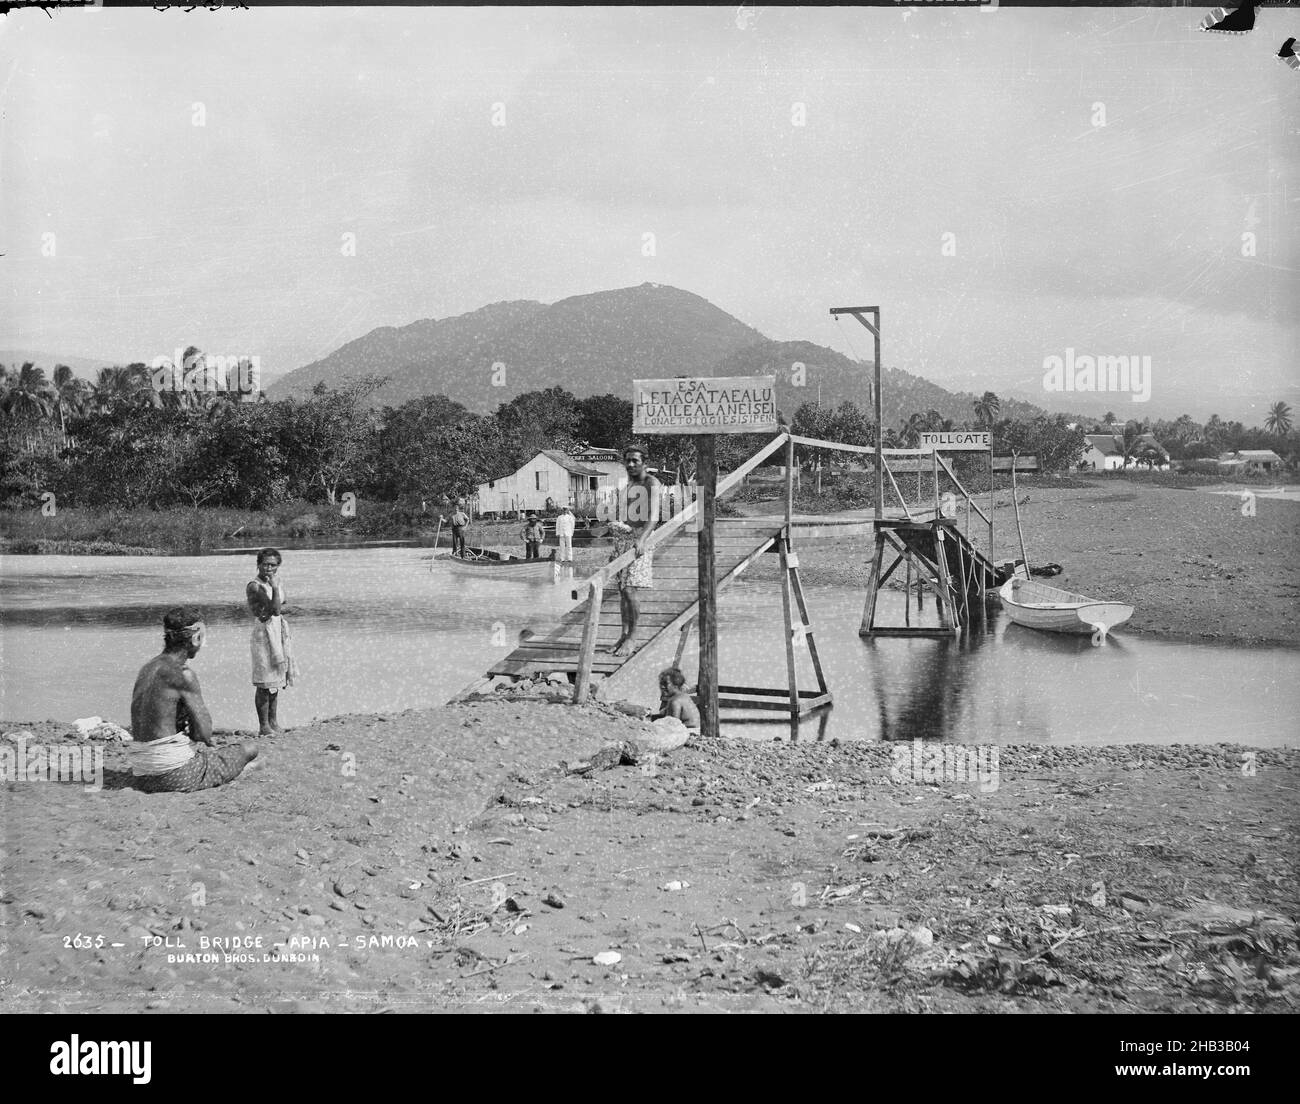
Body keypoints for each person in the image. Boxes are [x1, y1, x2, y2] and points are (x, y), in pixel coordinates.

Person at [128, 607, 258, 793]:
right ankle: (238, 769)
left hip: (140, 775)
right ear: (195, 638)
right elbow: (203, 733)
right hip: (171, 775)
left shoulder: (147, 668)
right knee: (249, 748)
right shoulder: (183, 674)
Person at [610, 445, 661, 657]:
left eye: (635, 461)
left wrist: (641, 539)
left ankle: (633, 636)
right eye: (628, 460)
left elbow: (654, 517)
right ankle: (623, 634)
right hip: (625, 537)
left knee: (631, 590)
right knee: (622, 590)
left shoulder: (652, 483)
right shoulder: (630, 483)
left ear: (644, 463)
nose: (630, 464)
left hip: (642, 538)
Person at [246, 548, 297, 735]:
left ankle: (274, 722)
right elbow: (274, 610)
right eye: (265, 564)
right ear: (258, 564)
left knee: (276, 681)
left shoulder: (276, 581)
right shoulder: (254, 586)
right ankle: (264, 726)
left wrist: (278, 593)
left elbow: (283, 604)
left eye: (273, 565)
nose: (268, 568)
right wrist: (275, 588)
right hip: (263, 634)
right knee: (264, 682)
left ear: (278, 566)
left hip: (276, 631)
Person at [650, 666, 701, 733]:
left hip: (689, 732)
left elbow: (673, 724)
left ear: (676, 685)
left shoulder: (675, 701)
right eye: (661, 683)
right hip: (695, 730)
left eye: (665, 684)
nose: (662, 687)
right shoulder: (683, 696)